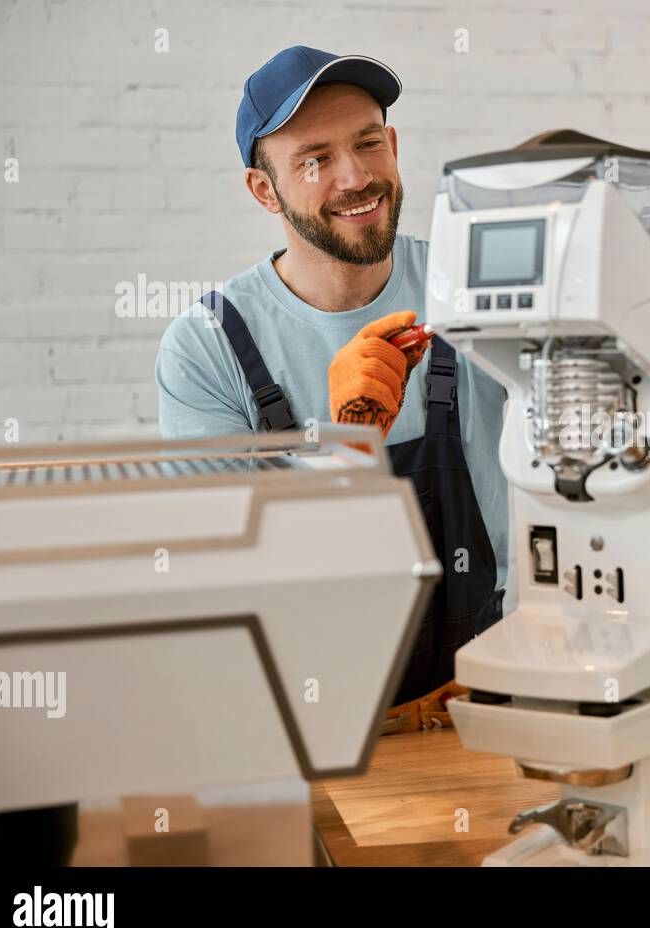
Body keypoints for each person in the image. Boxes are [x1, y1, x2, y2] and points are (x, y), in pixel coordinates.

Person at [155, 46, 509, 730]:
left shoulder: (473, 295)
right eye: (314, 159)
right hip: (316, 717)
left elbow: (550, 498)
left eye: (368, 143)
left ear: (394, 146)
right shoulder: (209, 345)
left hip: (483, 701)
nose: (355, 177)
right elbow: (220, 582)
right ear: (265, 190)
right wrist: (347, 447)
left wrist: (525, 674)